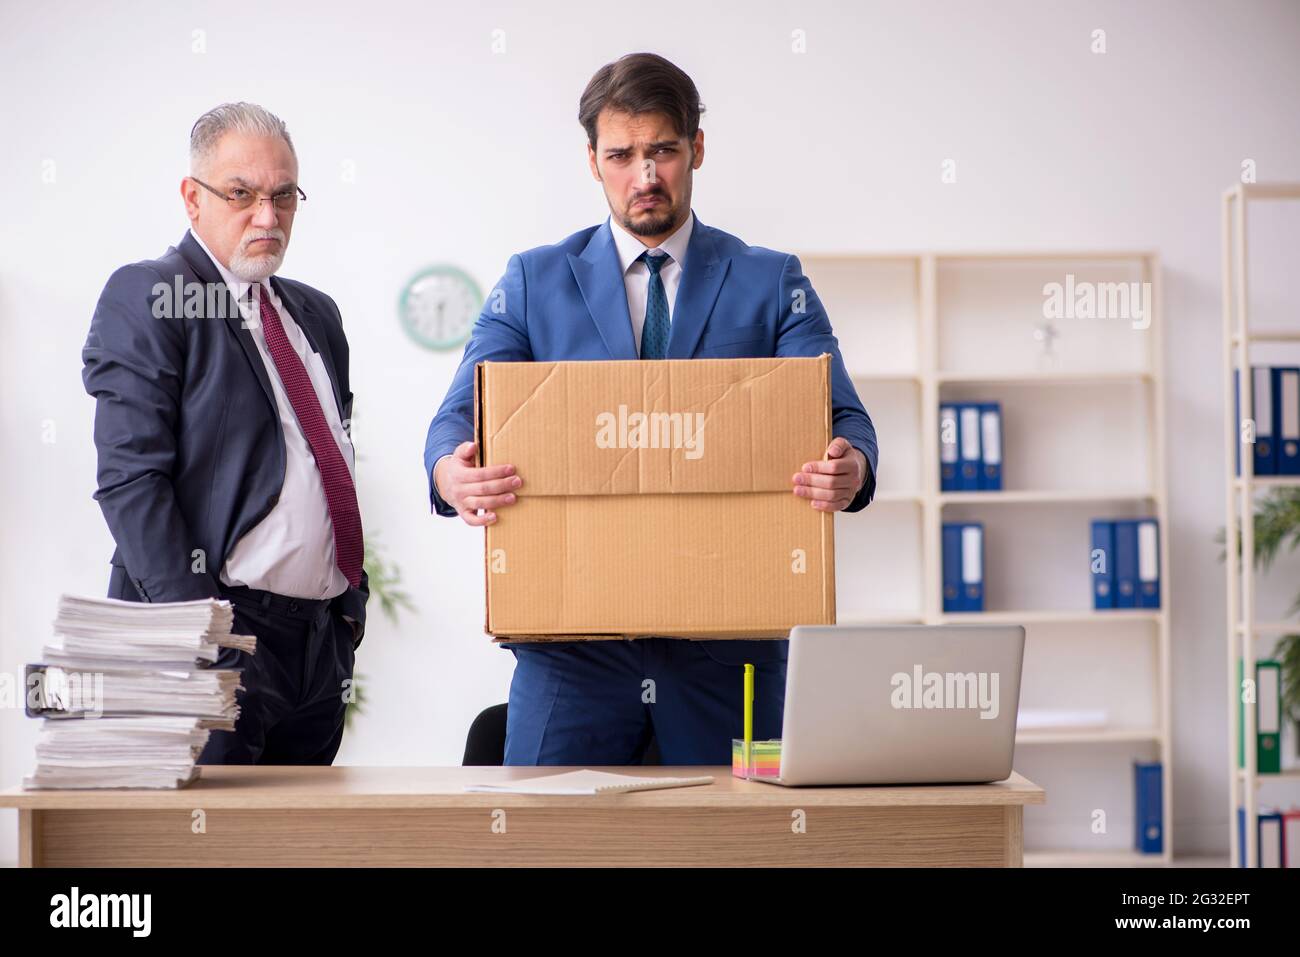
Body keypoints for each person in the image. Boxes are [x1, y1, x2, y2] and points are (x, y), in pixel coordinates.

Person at [425, 53, 878, 765]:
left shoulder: (769, 280)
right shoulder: (534, 281)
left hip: (729, 650)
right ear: (592, 161)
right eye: (623, 155)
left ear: (697, 148)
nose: (645, 175)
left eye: (663, 150)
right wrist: (453, 473)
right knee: (548, 842)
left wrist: (850, 464)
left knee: (736, 848)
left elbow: (844, 419)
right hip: (572, 650)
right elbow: (458, 417)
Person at [82, 102, 367, 764]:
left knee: (299, 856)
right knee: (202, 857)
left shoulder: (316, 314)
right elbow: (130, 481)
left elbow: (332, 461)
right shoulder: (152, 293)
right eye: (241, 194)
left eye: (284, 195)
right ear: (193, 197)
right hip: (211, 638)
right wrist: (199, 632)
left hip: (317, 651)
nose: (267, 217)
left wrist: (349, 610)